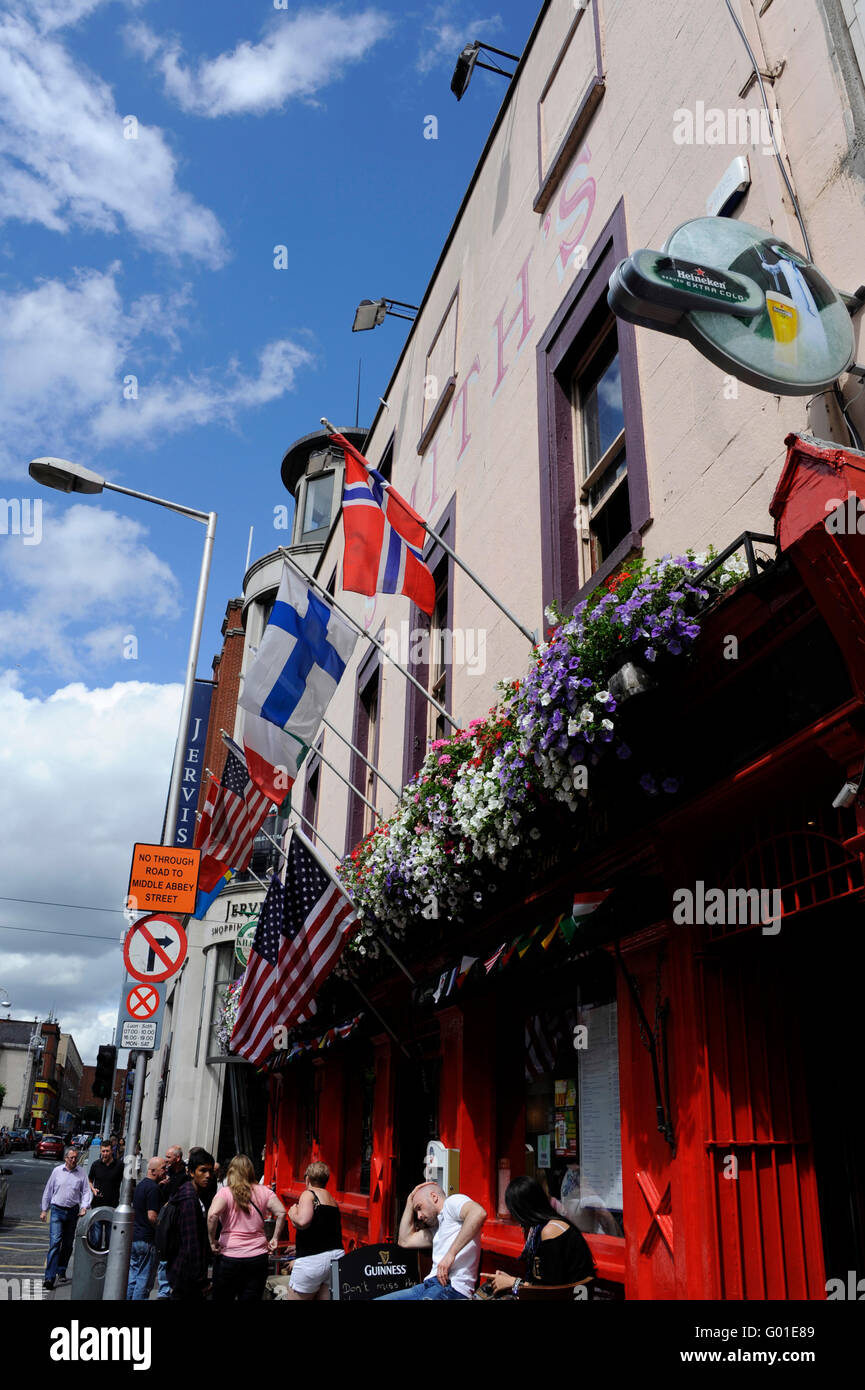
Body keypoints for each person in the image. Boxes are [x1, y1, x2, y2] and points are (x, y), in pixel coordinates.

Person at [375, 1181, 487, 1300]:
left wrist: (450, 1254)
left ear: (434, 1197)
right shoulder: (437, 1229)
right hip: (428, 1286)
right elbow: (404, 1241)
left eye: (419, 1207)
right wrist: (410, 1201)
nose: (419, 1216)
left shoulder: (451, 1203)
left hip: (450, 1287)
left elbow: (478, 1213)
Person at [490, 1175, 594, 1296]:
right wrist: (507, 1280)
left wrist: (513, 1282)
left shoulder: (551, 1231)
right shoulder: (540, 1228)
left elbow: (549, 1290)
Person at [207, 1153, 286, 1302]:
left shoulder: (225, 1192)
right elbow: (281, 1212)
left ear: (231, 1171)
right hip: (257, 1257)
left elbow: (212, 1215)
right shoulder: (264, 1192)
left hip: (229, 1256)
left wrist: (212, 1241)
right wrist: (275, 1238)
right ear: (251, 1171)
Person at [286, 1161, 344, 1301]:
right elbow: (323, 1231)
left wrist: (292, 1212)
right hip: (336, 1258)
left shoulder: (309, 1194)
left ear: (307, 1179)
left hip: (313, 1261)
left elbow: (302, 1221)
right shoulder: (332, 1199)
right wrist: (299, 1246)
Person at [166, 1146, 214, 1301]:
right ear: (192, 1172)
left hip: (184, 1273)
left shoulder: (192, 1194)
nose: (208, 1176)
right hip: (187, 1276)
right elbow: (191, 1242)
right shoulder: (189, 1199)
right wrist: (201, 1279)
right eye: (203, 1171)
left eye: (210, 1171)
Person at [40, 1145, 91, 1290]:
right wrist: (44, 1210)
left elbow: (86, 1191)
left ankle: (61, 1270)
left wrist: (84, 1207)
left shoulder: (81, 1173)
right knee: (55, 1242)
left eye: (76, 1157)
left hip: (73, 1211)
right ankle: (49, 1277)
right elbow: (48, 1190)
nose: (74, 1160)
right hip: (56, 1210)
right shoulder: (57, 1171)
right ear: (65, 1158)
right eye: (71, 1158)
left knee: (68, 1244)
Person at [126, 1156, 164, 1300]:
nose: (165, 1171)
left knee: (133, 1276)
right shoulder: (153, 1189)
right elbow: (152, 1216)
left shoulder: (142, 1186)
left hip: (135, 1237)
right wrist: (160, 1229)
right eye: (162, 1169)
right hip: (147, 1240)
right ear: (153, 1171)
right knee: (144, 1280)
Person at [156, 1144, 188, 1299]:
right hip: (165, 1220)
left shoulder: (185, 1176)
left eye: (169, 1157)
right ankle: (164, 1291)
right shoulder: (166, 1173)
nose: (166, 1160)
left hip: (177, 1221)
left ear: (178, 1158)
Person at [88, 1139, 123, 1250]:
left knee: (110, 1240)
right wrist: (93, 1189)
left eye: (107, 1151)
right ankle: (95, 1264)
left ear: (111, 1151)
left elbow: (128, 1182)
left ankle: (107, 1264)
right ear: (100, 1151)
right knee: (96, 1240)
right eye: (103, 1151)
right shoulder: (96, 1165)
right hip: (97, 1206)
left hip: (112, 1207)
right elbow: (89, 1180)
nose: (105, 1154)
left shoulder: (120, 1165)